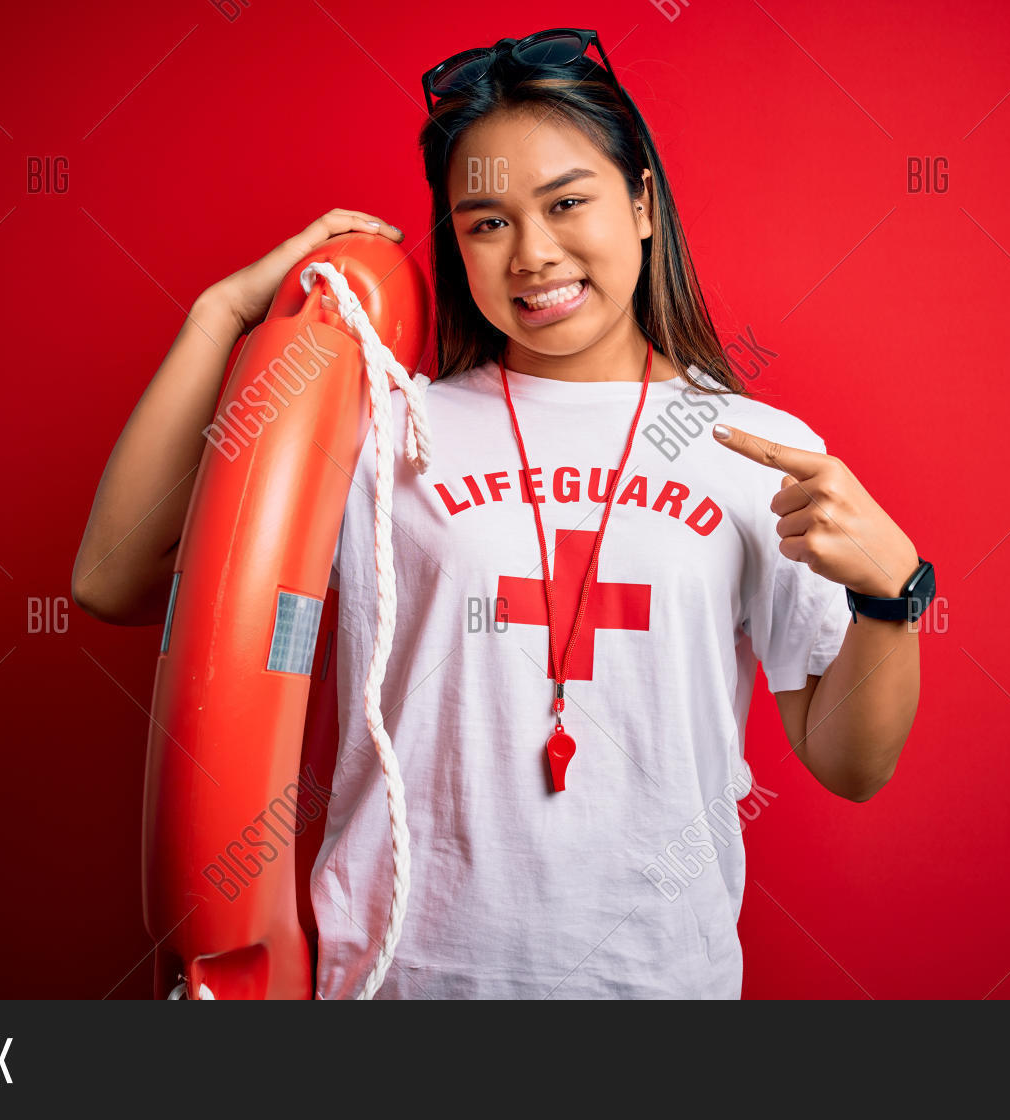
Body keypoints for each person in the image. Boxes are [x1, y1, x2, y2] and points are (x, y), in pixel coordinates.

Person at [73, 28, 927, 999]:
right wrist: (225, 314)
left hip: (657, 984)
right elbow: (111, 579)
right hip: (402, 984)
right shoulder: (387, 429)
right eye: (487, 222)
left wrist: (892, 595)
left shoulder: (753, 447)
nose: (533, 254)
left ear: (642, 204)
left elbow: (850, 764)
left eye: (567, 202)